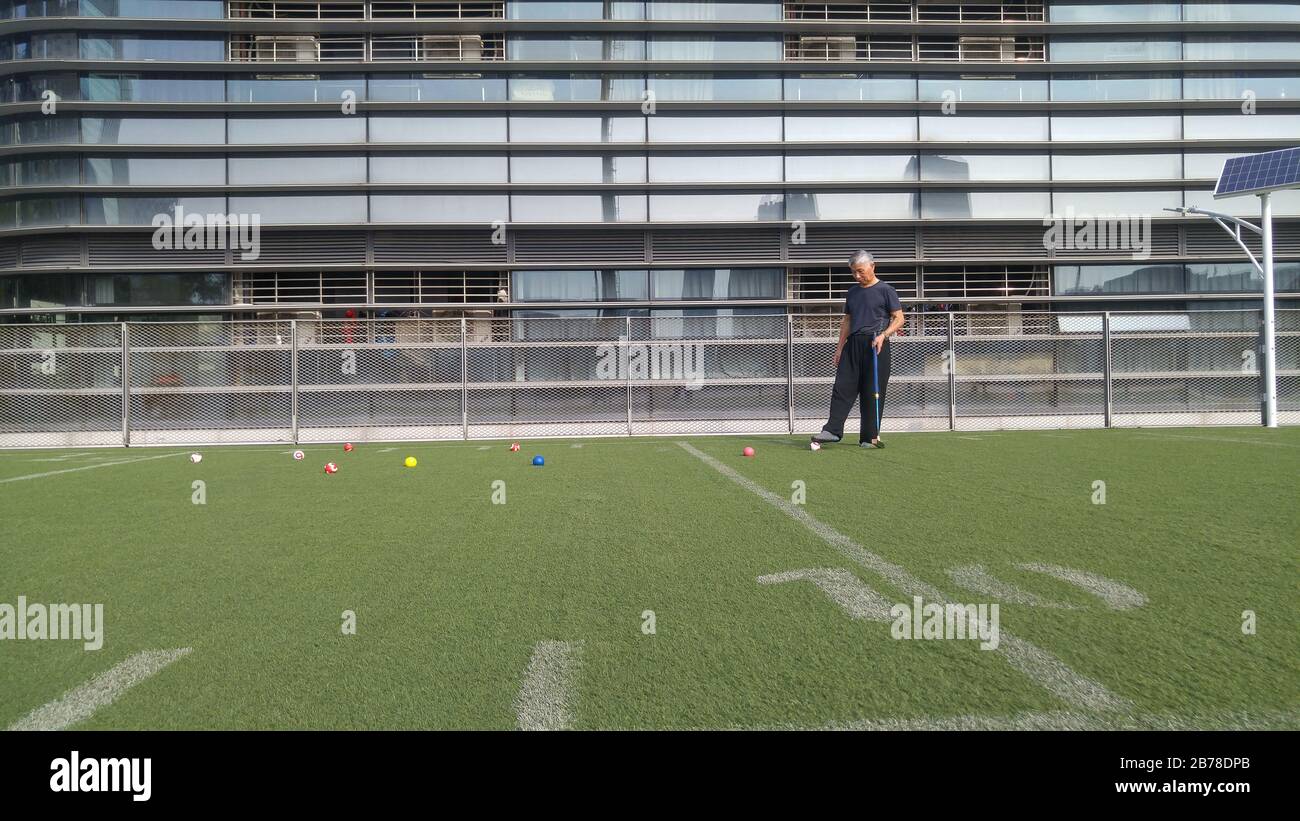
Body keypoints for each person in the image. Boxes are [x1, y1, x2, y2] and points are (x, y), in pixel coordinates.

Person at [812, 251, 904, 449]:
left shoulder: (886, 290)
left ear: (873, 266)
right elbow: (847, 321)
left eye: (861, 272)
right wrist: (839, 348)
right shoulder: (852, 292)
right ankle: (832, 431)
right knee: (842, 387)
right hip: (852, 344)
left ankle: (869, 437)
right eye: (854, 273)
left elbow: (899, 318)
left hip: (876, 344)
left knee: (872, 392)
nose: (857, 276)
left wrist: (883, 335)